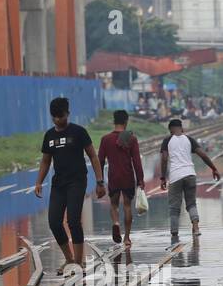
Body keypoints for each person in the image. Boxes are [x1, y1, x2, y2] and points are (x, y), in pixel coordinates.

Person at [35, 97, 104, 272]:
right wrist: (39, 182)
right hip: (58, 184)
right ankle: (69, 259)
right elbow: (45, 161)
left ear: (68, 113)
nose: (59, 120)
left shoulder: (79, 132)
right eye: (56, 117)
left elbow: (93, 156)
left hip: (77, 181)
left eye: (62, 116)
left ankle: (79, 261)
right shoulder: (49, 136)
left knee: (73, 221)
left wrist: (99, 181)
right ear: (52, 117)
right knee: (54, 222)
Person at [159, 118, 220, 243]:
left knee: (174, 207)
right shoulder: (189, 139)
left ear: (170, 130)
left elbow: (164, 159)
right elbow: (202, 154)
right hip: (190, 174)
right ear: (182, 128)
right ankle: (196, 228)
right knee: (191, 203)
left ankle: (174, 232)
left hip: (176, 176)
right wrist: (214, 168)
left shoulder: (167, 141)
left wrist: (163, 177)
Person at [98, 110, 144, 248]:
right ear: (126, 122)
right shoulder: (131, 138)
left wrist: (99, 181)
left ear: (114, 121)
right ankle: (127, 238)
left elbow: (100, 161)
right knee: (127, 206)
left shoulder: (105, 139)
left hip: (113, 177)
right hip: (127, 176)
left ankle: (116, 223)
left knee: (114, 205)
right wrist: (140, 179)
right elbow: (136, 161)